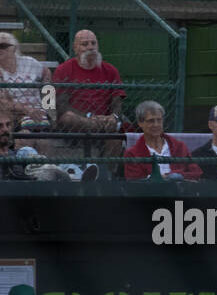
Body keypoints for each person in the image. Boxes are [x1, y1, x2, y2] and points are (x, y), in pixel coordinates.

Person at [52, 29, 125, 164]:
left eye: (93, 43)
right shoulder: (64, 69)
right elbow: (61, 105)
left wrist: (113, 117)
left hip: (104, 124)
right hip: (76, 124)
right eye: (85, 44)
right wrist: (90, 118)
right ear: (75, 48)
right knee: (68, 117)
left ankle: (104, 176)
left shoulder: (110, 70)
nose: (91, 47)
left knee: (116, 137)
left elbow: (117, 101)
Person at [123, 101, 202, 181]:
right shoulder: (132, 154)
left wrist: (175, 175)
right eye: (151, 121)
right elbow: (133, 183)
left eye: (159, 120)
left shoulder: (179, 146)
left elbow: (196, 173)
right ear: (140, 123)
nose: (156, 125)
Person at [0, 32, 52, 130]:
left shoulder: (29, 62)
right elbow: (3, 102)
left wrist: (49, 104)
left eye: (3, 46)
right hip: (14, 114)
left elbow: (46, 72)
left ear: (14, 48)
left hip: (39, 110)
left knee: (42, 129)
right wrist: (27, 109)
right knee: (29, 127)